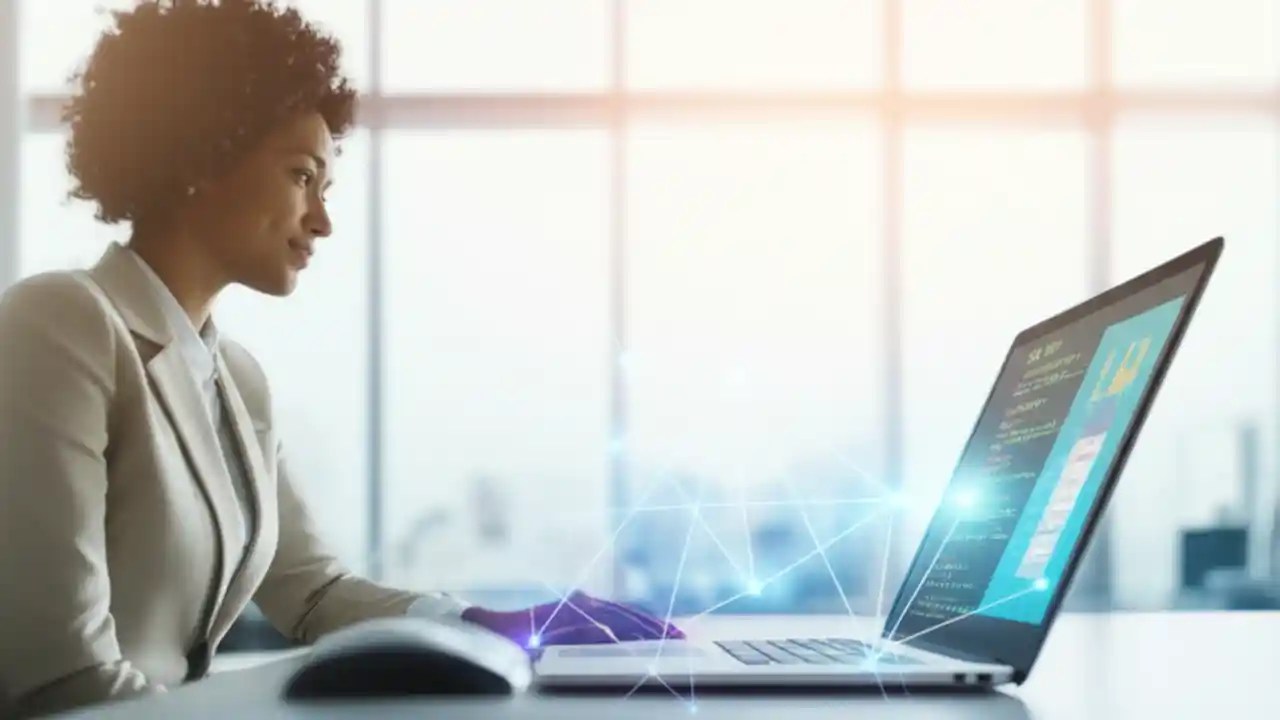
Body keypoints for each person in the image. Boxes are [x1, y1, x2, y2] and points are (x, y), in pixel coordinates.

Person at [0, 1, 679, 716]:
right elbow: (62, 675)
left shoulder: (236, 379)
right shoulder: (61, 323)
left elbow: (309, 590)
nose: (322, 220)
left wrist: (478, 626)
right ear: (202, 155)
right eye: (301, 177)